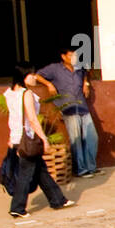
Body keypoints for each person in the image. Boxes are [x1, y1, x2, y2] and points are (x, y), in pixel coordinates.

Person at [5, 65, 74, 217]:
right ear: (23, 76)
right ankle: (17, 207)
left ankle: (58, 200)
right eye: (31, 74)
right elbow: (32, 119)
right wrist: (44, 139)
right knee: (25, 174)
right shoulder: (26, 94)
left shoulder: (10, 93)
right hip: (28, 138)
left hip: (17, 138)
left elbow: (13, 118)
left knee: (41, 171)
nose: (35, 77)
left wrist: (11, 137)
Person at [28, 42, 99, 177]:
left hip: (83, 108)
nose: (75, 58)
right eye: (71, 55)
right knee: (76, 140)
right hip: (69, 109)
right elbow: (37, 75)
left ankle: (91, 167)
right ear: (64, 57)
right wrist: (49, 84)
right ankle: (81, 170)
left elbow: (85, 72)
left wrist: (86, 83)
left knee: (92, 138)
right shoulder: (55, 69)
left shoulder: (79, 68)